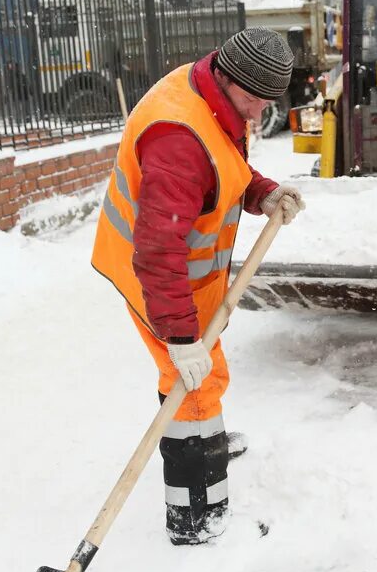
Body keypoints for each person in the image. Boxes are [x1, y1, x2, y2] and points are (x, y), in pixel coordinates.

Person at [92, 27, 306, 545]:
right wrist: (182, 339)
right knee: (194, 385)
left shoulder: (210, 97)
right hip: (159, 284)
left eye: (267, 101)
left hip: (189, 281)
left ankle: (203, 442)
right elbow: (159, 251)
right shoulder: (178, 138)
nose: (259, 114)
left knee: (202, 377)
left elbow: (223, 171)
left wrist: (263, 193)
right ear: (228, 79)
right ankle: (197, 515)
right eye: (254, 99)